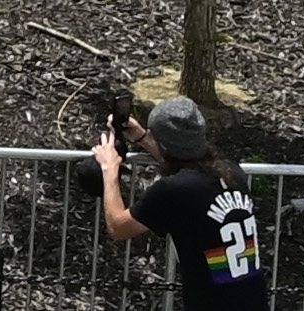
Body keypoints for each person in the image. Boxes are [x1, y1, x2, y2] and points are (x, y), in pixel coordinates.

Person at [95, 101, 265, 311]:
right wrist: (144, 138)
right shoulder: (233, 173)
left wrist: (109, 170)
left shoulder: (173, 190)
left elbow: (118, 227)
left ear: (165, 145)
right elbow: (187, 165)